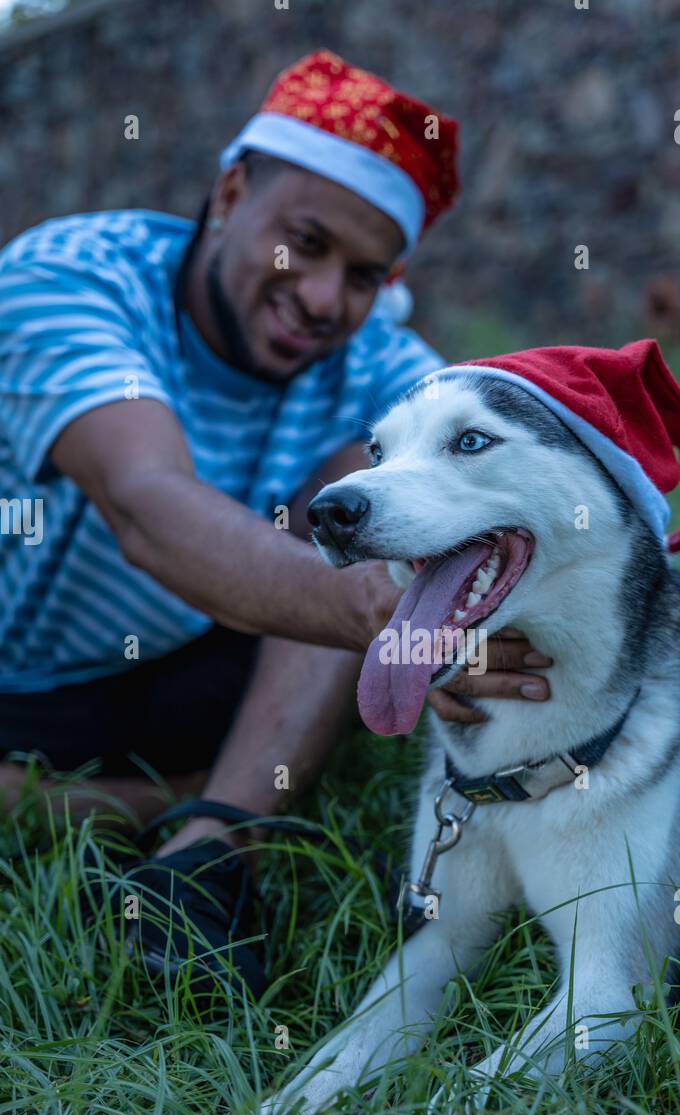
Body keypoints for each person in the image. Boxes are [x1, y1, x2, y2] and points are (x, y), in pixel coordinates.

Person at [0, 50, 551, 991]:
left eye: (366, 275)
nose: (325, 298)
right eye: (306, 242)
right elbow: (146, 503)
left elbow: (497, 496)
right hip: (19, 667)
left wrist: (476, 628)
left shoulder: (380, 362)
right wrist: (390, 621)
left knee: (380, 467)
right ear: (230, 191)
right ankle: (161, 799)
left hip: (178, 663)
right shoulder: (72, 276)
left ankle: (210, 853)